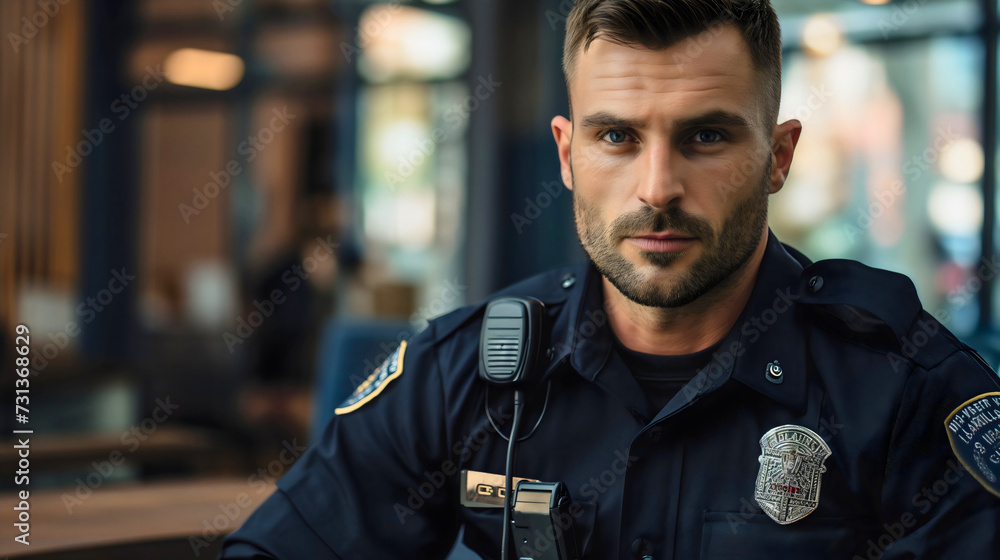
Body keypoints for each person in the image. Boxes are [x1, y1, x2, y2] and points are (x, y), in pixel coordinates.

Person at [220, 1, 1000, 558]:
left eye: (706, 136)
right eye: (618, 136)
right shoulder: (466, 371)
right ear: (567, 156)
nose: (657, 188)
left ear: (779, 157)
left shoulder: (904, 392)